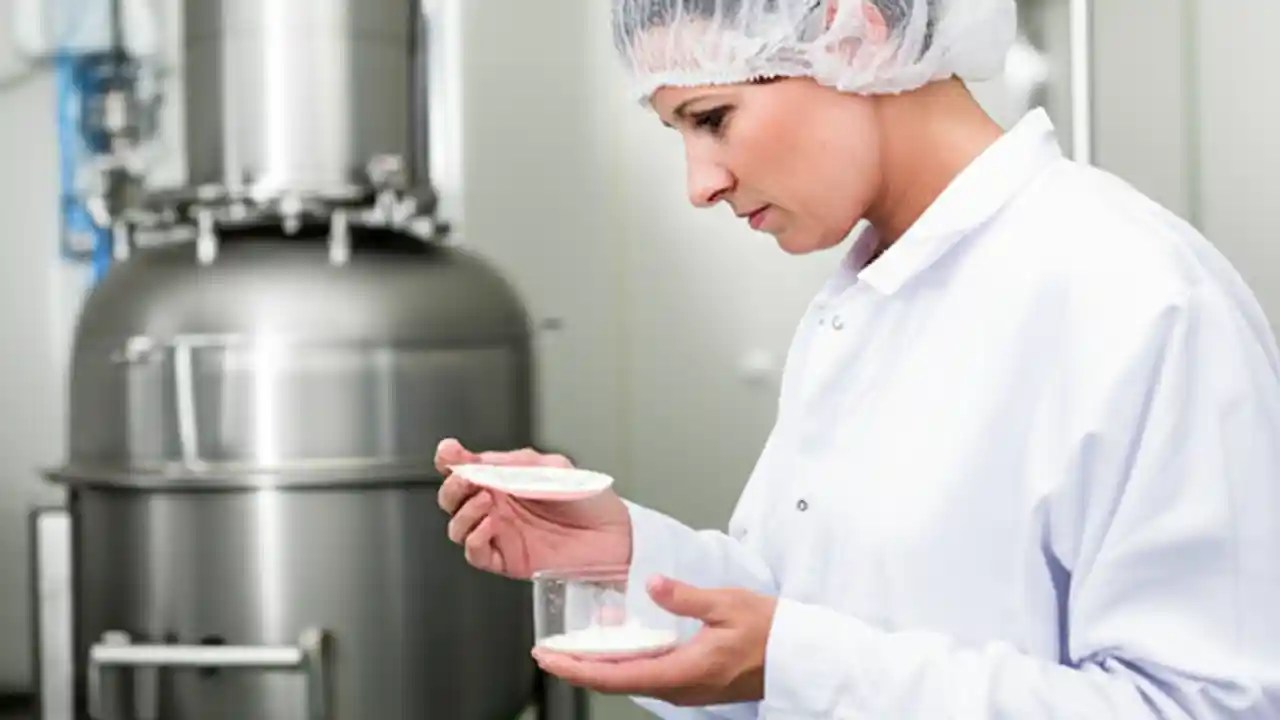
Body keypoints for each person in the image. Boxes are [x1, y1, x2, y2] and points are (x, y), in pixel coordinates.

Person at [437, 0, 1280, 717]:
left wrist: (799, 661)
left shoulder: (1137, 293)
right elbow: (803, 616)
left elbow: (1199, 704)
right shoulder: (864, 301)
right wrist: (622, 556)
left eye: (712, 117)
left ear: (855, 36)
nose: (699, 184)